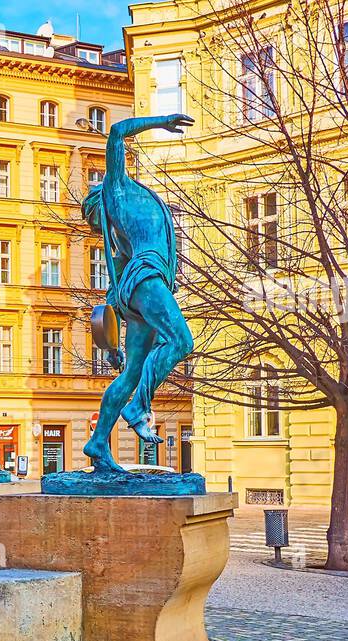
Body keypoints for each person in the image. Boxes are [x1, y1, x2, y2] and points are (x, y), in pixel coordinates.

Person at [81, 114, 196, 474]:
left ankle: (98, 441)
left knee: (130, 373)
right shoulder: (116, 190)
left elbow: (114, 292)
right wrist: (161, 121)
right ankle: (137, 407)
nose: (99, 224)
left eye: (94, 219)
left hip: (139, 286)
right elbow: (116, 132)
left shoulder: (122, 218)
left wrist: (113, 347)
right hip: (146, 280)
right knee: (181, 342)